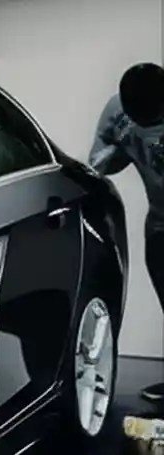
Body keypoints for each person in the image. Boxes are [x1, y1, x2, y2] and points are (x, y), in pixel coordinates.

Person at [90, 62, 164, 402]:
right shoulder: (117, 112)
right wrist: (122, 146)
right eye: (140, 118)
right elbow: (99, 162)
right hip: (160, 223)